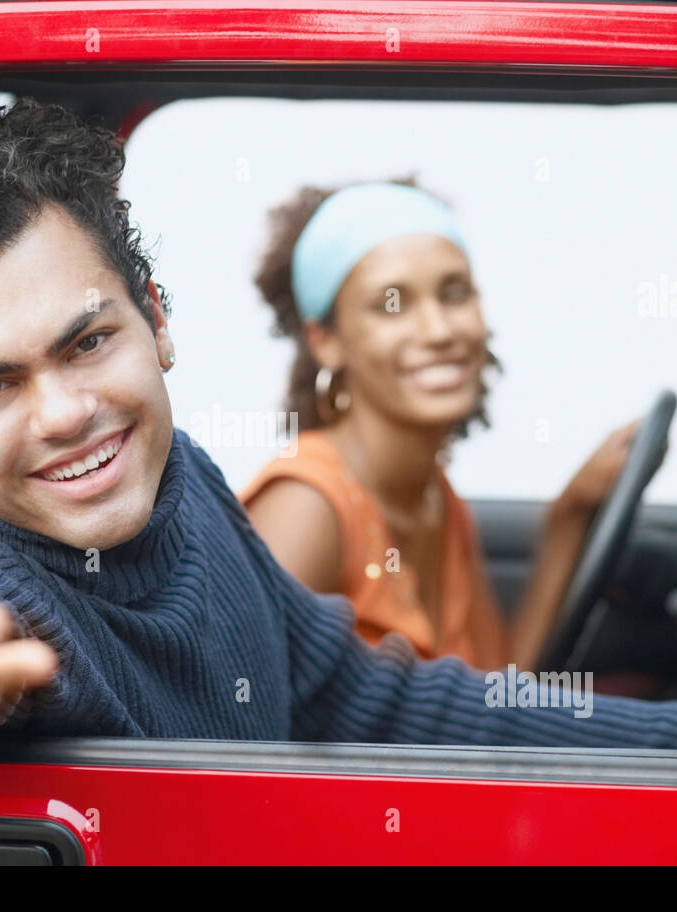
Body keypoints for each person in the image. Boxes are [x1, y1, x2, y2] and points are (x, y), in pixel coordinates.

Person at [0, 98, 677, 793]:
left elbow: (379, 704)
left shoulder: (186, 485)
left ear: (157, 318)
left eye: (88, 342)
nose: (63, 413)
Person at [243, 177, 638, 671]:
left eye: (454, 294)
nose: (439, 330)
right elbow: (235, 724)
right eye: (393, 303)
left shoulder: (436, 499)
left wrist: (569, 515)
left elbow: (494, 697)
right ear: (325, 341)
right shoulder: (306, 508)